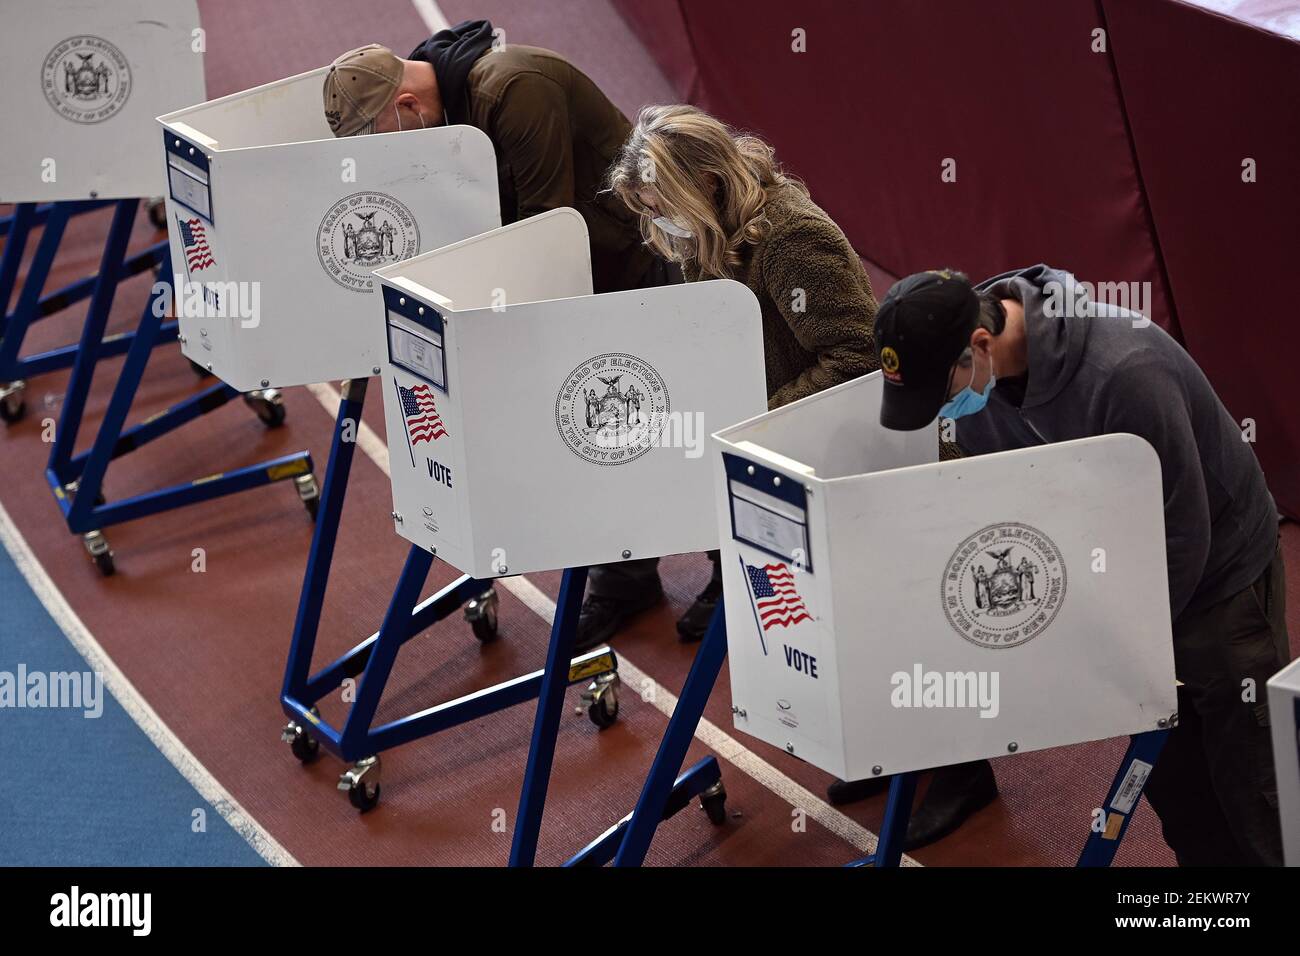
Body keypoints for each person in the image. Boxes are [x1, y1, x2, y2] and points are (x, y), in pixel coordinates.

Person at [868, 266, 1289, 863]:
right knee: (1178, 788)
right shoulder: (975, 389)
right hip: (1120, 576)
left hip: (1219, 580)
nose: (946, 411)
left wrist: (1115, 640)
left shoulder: (1125, 371)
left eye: (941, 394)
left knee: (1256, 787)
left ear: (980, 346)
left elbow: (1183, 531)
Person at [588, 104, 880, 651]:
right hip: (760, 417)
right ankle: (710, 577)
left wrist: (753, 420)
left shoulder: (793, 241)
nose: (661, 224)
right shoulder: (713, 220)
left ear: (708, 182)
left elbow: (857, 357)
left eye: (663, 207)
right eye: (649, 212)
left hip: (826, 442)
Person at [321, 19, 674, 293]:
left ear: (408, 104)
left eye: (382, 137)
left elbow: (544, 224)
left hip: (639, 258)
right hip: (583, 262)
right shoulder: (443, 107)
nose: (387, 151)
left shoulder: (514, 90)